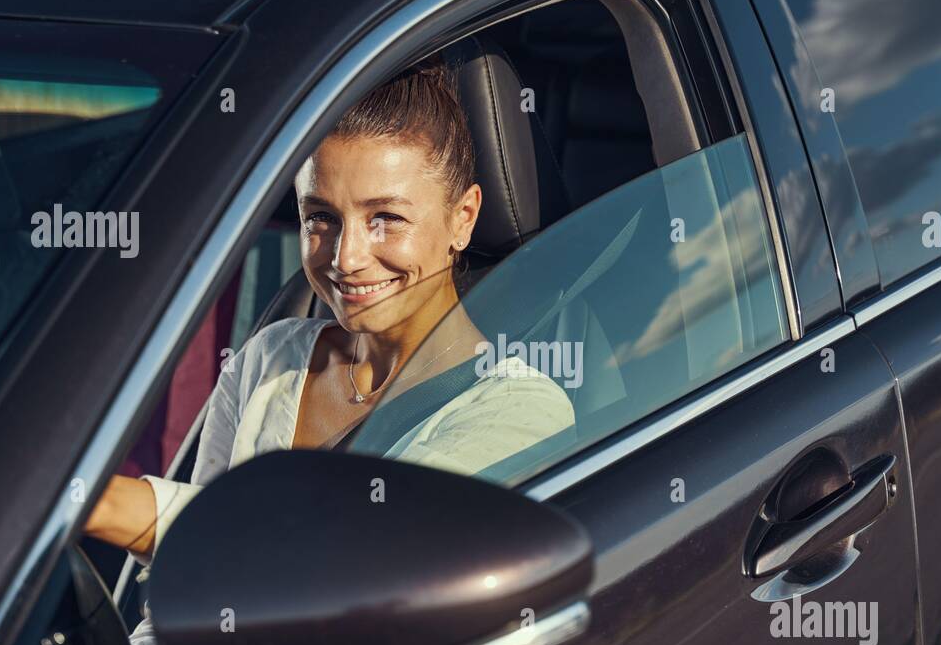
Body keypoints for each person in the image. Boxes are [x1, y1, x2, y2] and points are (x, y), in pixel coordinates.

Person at [84, 58, 575, 567]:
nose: (346, 258)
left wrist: (93, 502)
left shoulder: (521, 412)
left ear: (463, 218)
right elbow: (195, 574)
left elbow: (332, 564)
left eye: (386, 218)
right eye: (321, 217)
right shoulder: (274, 355)